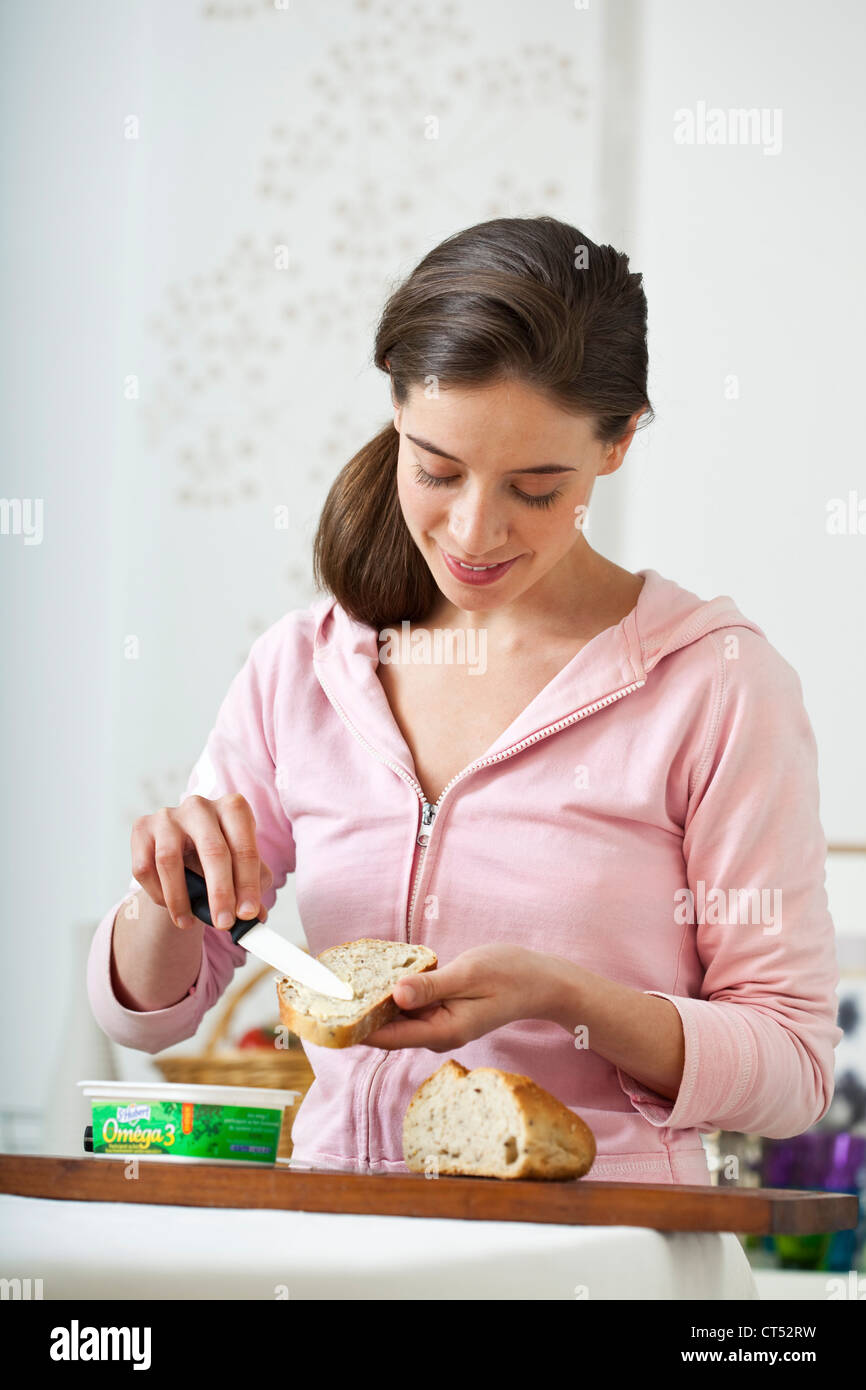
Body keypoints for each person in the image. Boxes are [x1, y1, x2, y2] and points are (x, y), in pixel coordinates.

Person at [87, 215, 842, 1183]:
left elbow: (788, 1068)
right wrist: (165, 892)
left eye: (536, 487)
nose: (474, 530)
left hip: (594, 1255)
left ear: (616, 444)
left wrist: (560, 994)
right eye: (435, 470)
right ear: (396, 412)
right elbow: (145, 1015)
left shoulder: (712, 685)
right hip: (338, 1241)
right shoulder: (305, 665)